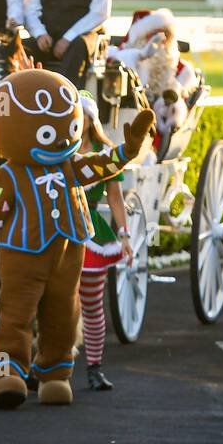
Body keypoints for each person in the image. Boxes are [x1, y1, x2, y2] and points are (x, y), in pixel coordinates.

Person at [77, 94, 134, 391]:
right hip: (61, 231)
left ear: (90, 119)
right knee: (54, 304)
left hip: (93, 234)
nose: (76, 119)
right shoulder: (56, 150)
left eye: (81, 114)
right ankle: (47, 369)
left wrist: (124, 234)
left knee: (92, 304)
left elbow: (115, 197)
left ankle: (94, 367)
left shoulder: (107, 153)